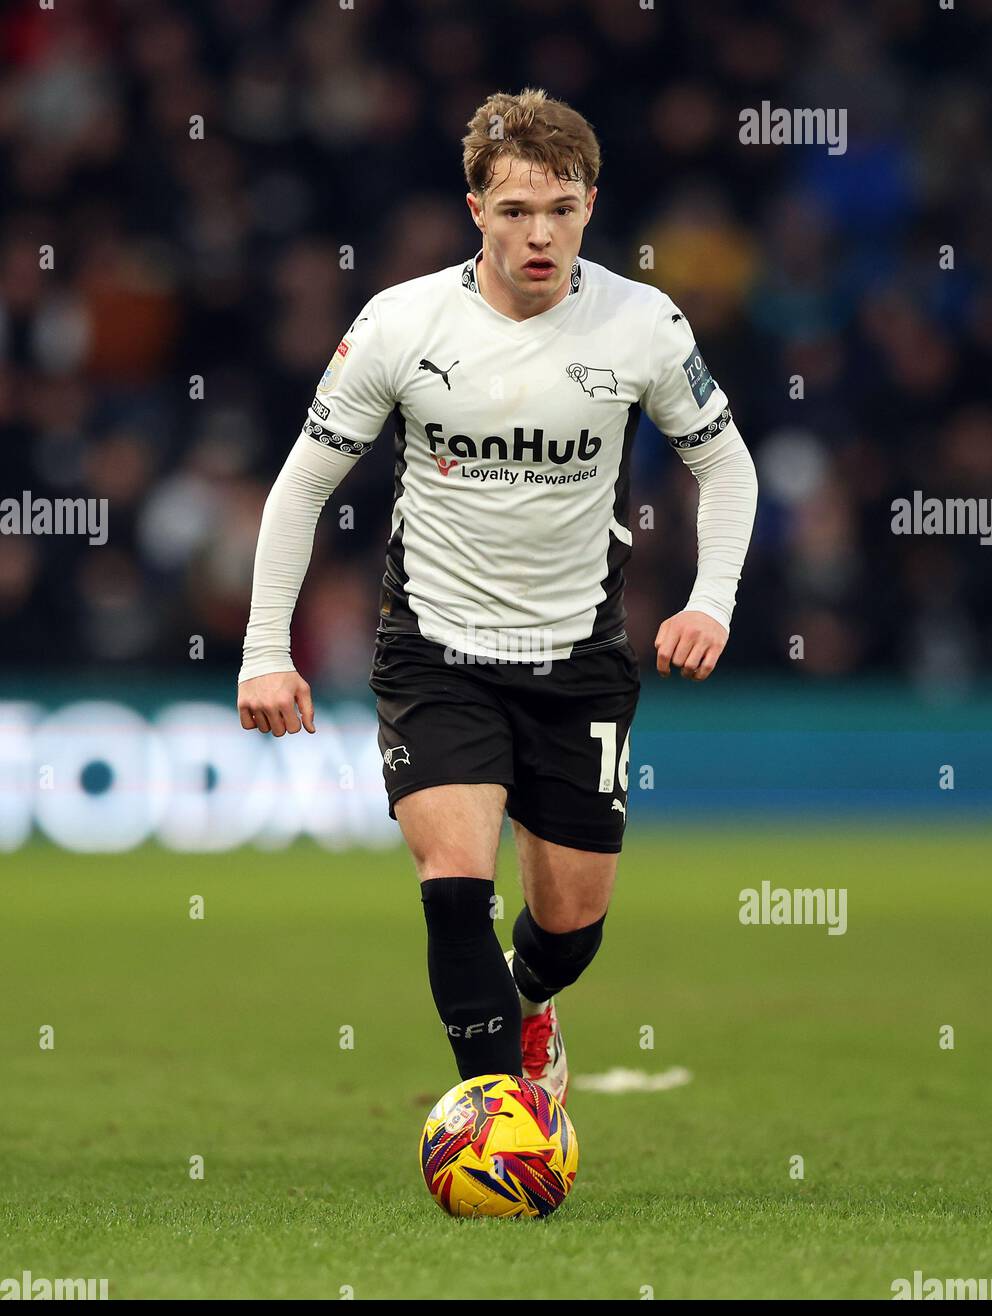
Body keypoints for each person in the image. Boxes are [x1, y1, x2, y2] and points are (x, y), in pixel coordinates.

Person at [237, 88, 758, 1102]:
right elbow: (303, 482)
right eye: (515, 209)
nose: (539, 232)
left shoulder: (643, 323)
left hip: (579, 660)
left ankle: (533, 997)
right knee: (454, 889)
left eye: (560, 208)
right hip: (436, 651)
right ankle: (498, 1114)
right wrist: (265, 647)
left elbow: (727, 467)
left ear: (591, 206)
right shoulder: (400, 323)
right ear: (474, 207)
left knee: (568, 926)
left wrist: (713, 601)